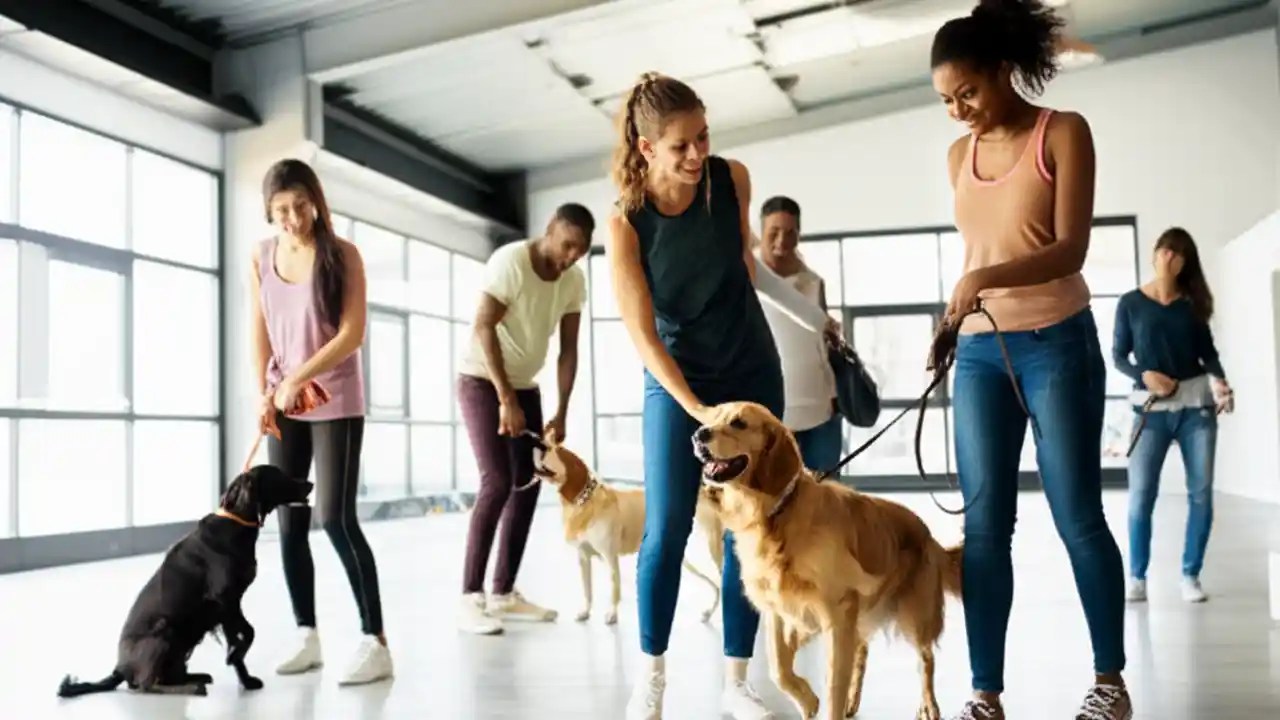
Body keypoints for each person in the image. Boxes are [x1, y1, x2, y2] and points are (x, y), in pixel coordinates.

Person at [930, 1, 1131, 718]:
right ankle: (984, 694)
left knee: (1078, 515)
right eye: (946, 100)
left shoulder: (1063, 132)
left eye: (967, 92)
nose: (958, 111)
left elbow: (1069, 249)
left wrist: (983, 279)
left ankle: (1109, 684)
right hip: (980, 352)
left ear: (1001, 70)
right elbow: (978, 253)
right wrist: (952, 320)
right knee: (985, 529)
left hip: (1057, 343)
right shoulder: (958, 157)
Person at [608, 71, 824, 720]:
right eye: (680, 146)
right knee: (668, 526)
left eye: (703, 136)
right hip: (677, 378)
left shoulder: (731, 180)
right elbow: (643, 336)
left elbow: (744, 269)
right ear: (647, 148)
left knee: (749, 526)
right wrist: (697, 410)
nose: (697, 153)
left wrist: (818, 321)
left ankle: (737, 680)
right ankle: (651, 677)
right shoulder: (627, 224)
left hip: (750, 369)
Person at [251, 158, 392, 686]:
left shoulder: (343, 254)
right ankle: (306, 634)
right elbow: (260, 328)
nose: (293, 219)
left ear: (316, 202)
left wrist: (297, 377)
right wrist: (265, 392)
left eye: (301, 206)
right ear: (269, 211)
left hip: (336, 398)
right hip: (285, 402)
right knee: (289, 520)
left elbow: (352, 333)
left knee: (334, 517)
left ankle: (375, 641)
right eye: (281, 210)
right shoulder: (261, 256)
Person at [455, 203, 593, 635]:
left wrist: (562, 411)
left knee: (529, 483)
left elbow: (568, 350)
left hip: (526, 387)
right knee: (496, 480)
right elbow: (483, 327)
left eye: (580, 250)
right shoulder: (511, 262)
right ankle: (469, 597)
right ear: (549, 229)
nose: (571, 256)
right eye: (567, 244)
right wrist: (504, 398)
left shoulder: (573, 280)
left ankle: (503, 592)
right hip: (481, 380)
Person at [1113, 227, 1232, 605]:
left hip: (1197, 409)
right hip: (1151, 413)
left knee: (1201, 494)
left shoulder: (1191, 305)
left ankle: (1190, 575)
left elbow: (1207, 354)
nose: (1169, 256)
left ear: (1185, 263)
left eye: (1177, 253)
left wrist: (1221, 382)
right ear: (1154, 255)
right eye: (1165, 249)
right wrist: (1144, 375)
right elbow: (1118, 356)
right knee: (1140, 496)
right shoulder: (1130, 303)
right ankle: (1137, 577)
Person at [754, 196, 843, 472]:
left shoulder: (813, 281)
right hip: (770, 415)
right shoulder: (747, 278)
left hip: (820, 410)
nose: (782, 240)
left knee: (826, 490)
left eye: (790, 232)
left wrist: (834, 392)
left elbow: (825, 344)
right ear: (761, 232)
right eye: (774, 232)